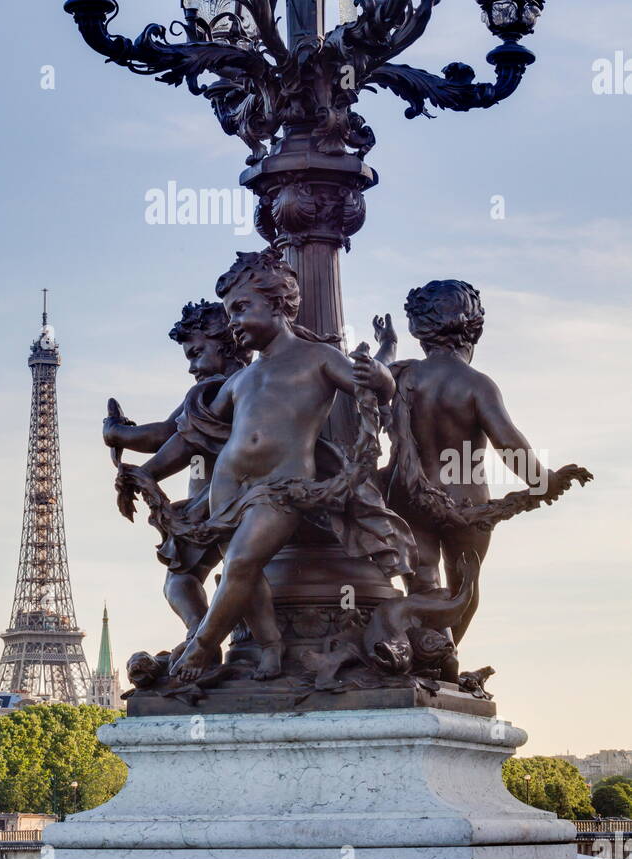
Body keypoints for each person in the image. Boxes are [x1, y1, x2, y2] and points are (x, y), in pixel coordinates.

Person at [170, 248, 415, 682]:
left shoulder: (317, 356)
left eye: (242, 308)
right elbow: (190, 430)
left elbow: (378, 389)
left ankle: (202, 645)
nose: (234, 322)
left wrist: (381, 376)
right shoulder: (240, 378)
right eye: (229, 314)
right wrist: (144, 464)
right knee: (241, 572)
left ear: (279, 302)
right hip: (228, 483)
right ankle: (270, 644)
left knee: (243, 564)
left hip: (282, 486)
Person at [385, 279, 582, 665]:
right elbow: (508, 442)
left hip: (409, 495)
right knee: (464, 592)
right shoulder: (475, 384)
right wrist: (543, 480)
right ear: (473, 330)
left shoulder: (402, 378)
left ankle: (417, 662)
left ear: (418, 331)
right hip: (467, 505)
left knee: (423, 586)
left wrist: (385, 344)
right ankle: (441, 660)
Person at [103, 300, 249, 647]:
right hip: (230, 498)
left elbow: (166, 435)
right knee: (236, 574)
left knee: (181, 578)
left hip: (214, 504)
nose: (192, 367)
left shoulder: (214, 389)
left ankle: (201, 640)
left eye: (196, 353)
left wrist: (116, 434)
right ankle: (210, 639)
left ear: (224, 343)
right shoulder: (251, 385)